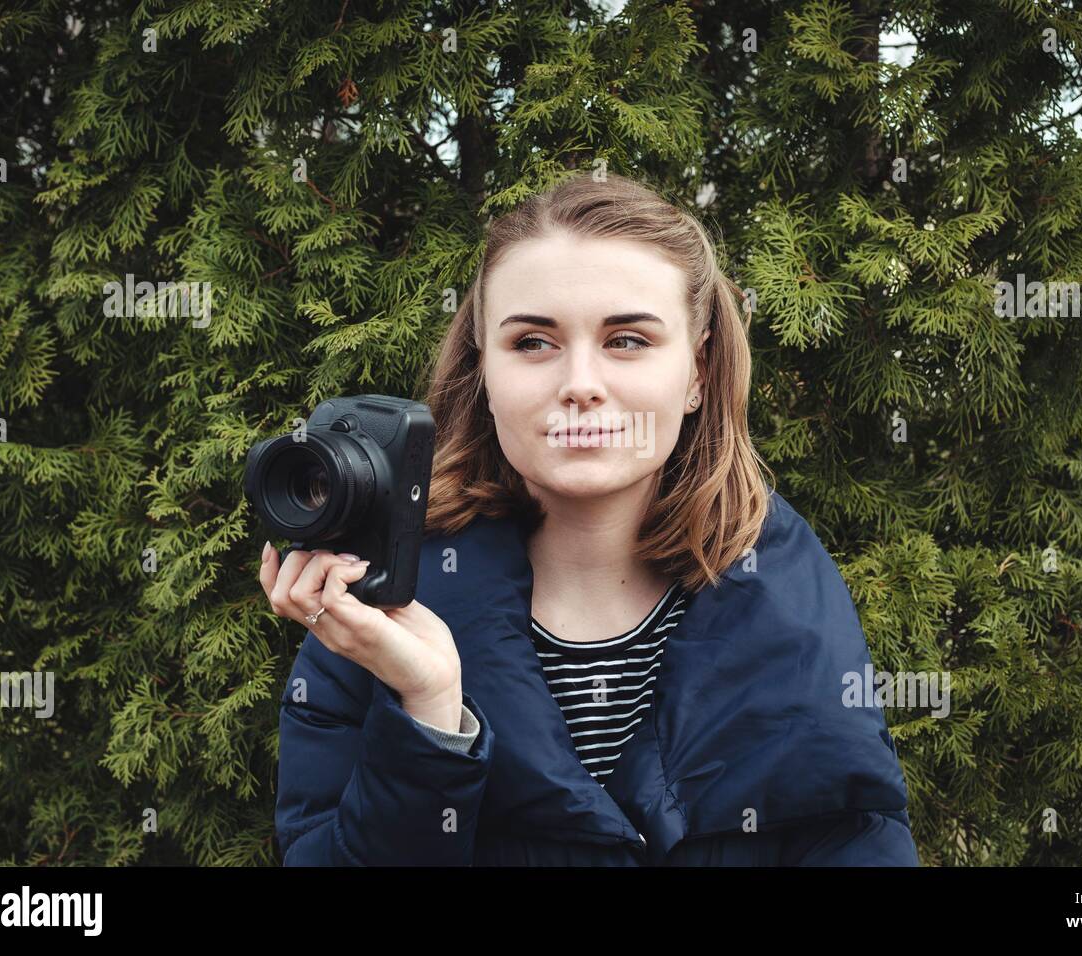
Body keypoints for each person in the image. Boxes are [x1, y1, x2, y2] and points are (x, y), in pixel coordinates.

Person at [262, 172, 919, 866]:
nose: (579, 384)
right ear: (484, 372)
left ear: (697, 374)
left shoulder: (789, 601)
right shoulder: (384, 609)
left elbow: (856, 839)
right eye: (533, 343)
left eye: (628, 340)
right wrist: (430, 713)